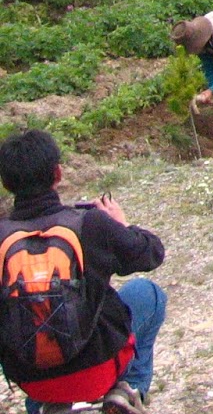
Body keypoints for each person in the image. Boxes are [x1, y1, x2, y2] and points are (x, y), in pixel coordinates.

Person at [0, 129, 165, 414]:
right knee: (148, 293)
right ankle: (128, 391)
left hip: (32, 379)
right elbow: (152, 253)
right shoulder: (89, 223)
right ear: (58, 173)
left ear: (6, 183)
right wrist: (121, 225)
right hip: (97, 368)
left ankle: (44, 406)